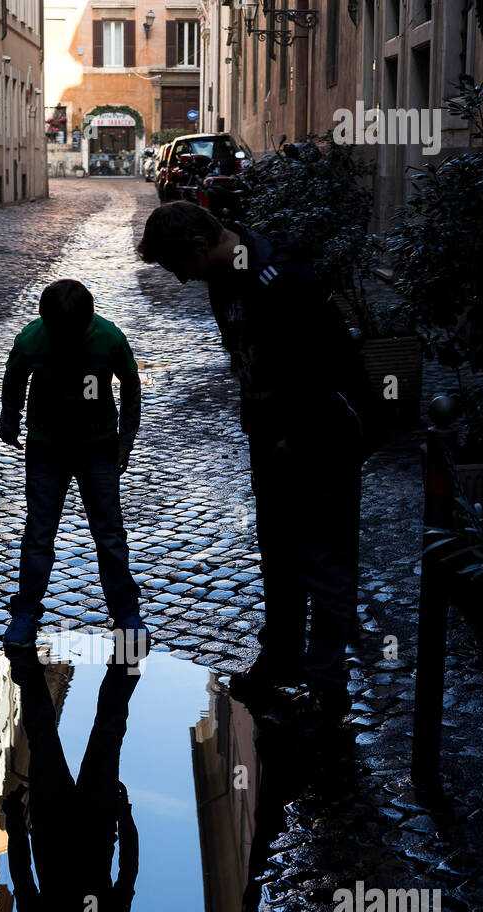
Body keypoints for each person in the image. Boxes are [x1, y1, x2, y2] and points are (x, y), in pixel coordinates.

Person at [137, 201, 371, 722]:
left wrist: (300, 435)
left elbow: (327, 363)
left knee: (327, 563)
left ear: (200, 246)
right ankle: (282, 659)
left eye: (180, 267)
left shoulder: (280, 278)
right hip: (270, 436)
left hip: (320, 436)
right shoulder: (226, 274)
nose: (180, 280)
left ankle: (329, 686)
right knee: (281, 553)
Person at [0, 279, 150, 657]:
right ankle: (27, 612)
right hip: (47, 446)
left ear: (87, 322)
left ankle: (126, 612)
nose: (64, 339)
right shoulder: (32, 339)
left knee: (109, 532)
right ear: (44, 321)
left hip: (97, 446)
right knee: (39, 531)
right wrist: (9, 420)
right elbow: (14, 378)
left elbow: (131, 384)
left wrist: (124, 438)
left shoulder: (108, 338)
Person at [3, 653, 141, 912]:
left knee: (108, 733)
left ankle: (128, 658)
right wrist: (16, 821)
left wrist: (124, 816)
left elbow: (129, 870)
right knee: (43, 735)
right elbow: (21, 870)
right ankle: (26, 665)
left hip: (96, 822)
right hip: (51, 824)